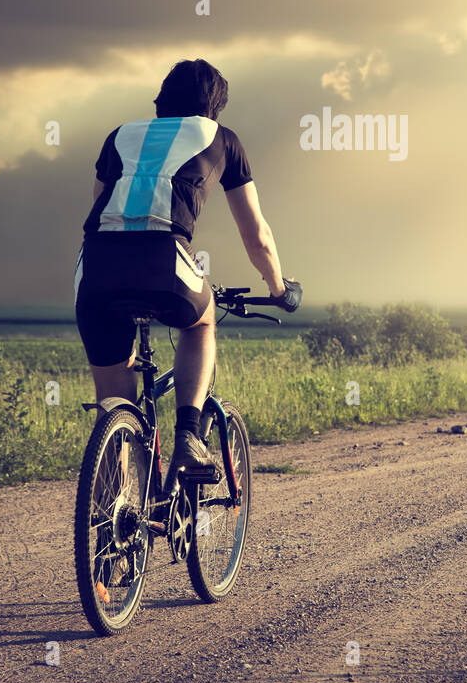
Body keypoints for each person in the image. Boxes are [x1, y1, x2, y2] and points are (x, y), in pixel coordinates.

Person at [74, 59, 301, 474]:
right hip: (163, 257)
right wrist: (279, 288)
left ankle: (114, 521)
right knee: (200, 323)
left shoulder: (119, 136)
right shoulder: (223, 139)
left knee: (115, 406)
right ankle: (189, 438)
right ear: (214, 106)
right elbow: (257, 236)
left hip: (96, 265)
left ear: (162, 99)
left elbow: (99, 205)